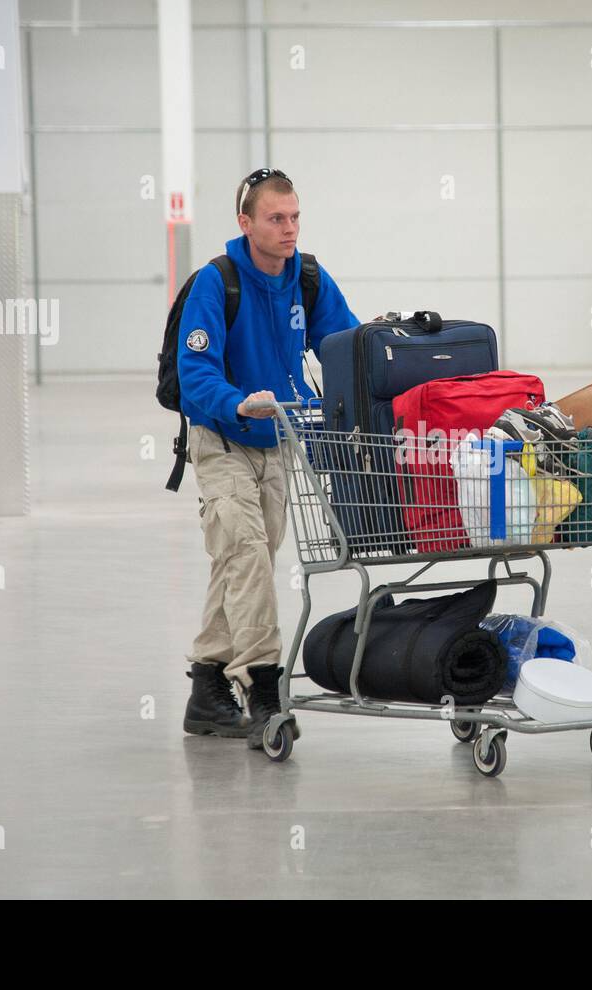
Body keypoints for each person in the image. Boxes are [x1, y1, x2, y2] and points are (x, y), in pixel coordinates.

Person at [177, 167, 360, 748]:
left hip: (279, 443)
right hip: (224, 442)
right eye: (276, 218)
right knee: (250, 558)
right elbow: (194, 374)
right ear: (246, 222)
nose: (289, 229)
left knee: (240, 561)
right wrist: (237, 403)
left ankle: (206, 687)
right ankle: (261, 687)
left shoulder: (307, 277)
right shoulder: (216, 283)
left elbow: (344, 347)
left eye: (295, 216)